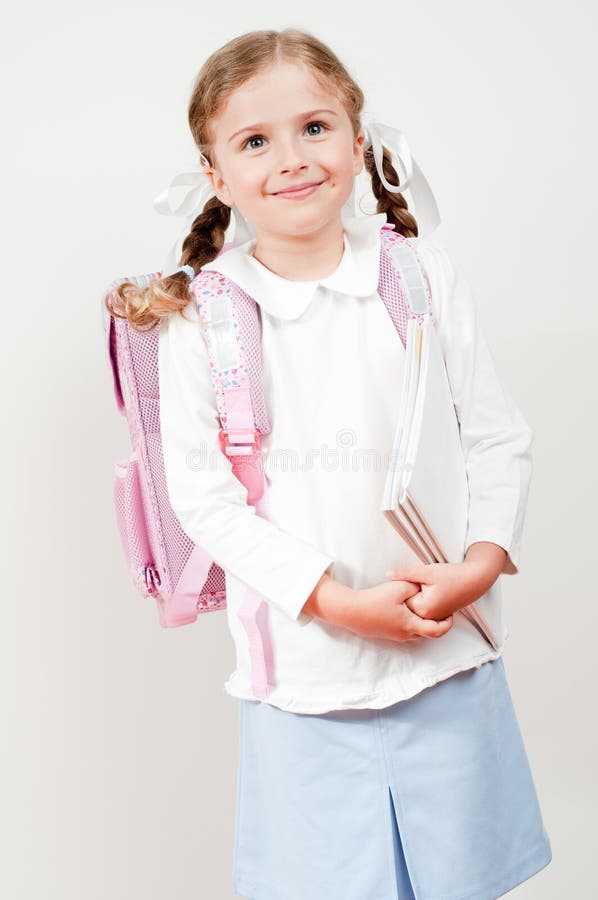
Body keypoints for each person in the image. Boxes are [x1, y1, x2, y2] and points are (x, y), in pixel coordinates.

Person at [107, 27, 552, 900]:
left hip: (448, 662)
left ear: (357, 138)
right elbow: (207, 502)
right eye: (255, 140)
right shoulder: (205, 317)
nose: (292, 158)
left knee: (464, 883)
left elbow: (495, 435)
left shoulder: (420, 275)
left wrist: (480, 564)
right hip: (305, 686)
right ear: (215, 173)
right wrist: (337, 603)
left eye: (314, 127)